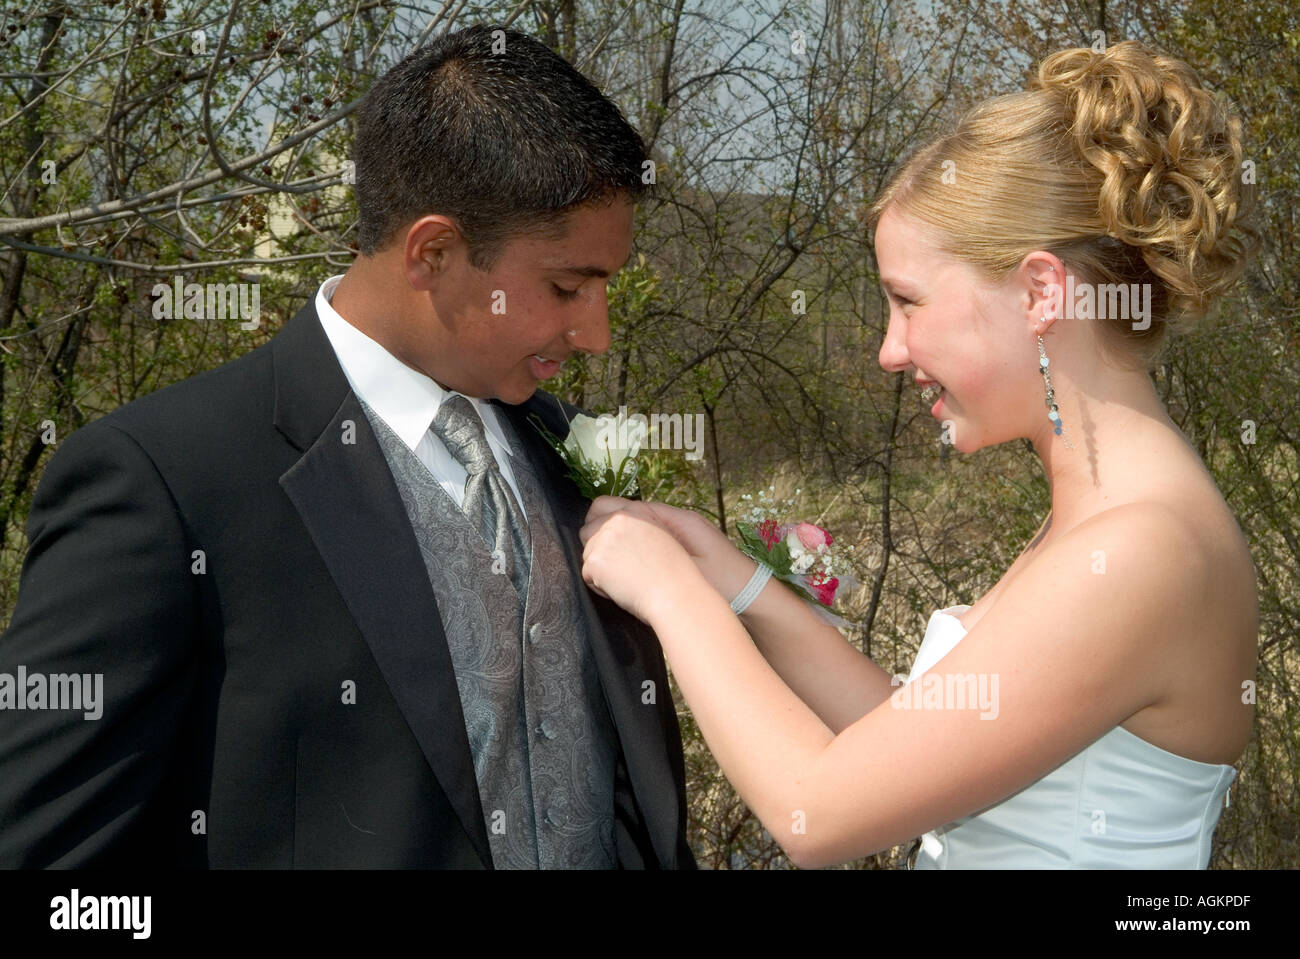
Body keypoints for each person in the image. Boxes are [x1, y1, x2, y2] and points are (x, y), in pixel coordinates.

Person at [0, 24, 695, 869]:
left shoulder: (560, 444)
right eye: (566, 286)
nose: (597, 332)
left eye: (606, 285)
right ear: (433, 251)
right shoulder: (162, 483)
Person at [578, 40, 1259, 869]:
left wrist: (668, 590)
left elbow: (816, 810)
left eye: (907, 302)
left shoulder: (1142, 549)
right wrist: (733, 579)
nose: (889, 351)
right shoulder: (1106, 522)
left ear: (1041, 291)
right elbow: (906, 743)